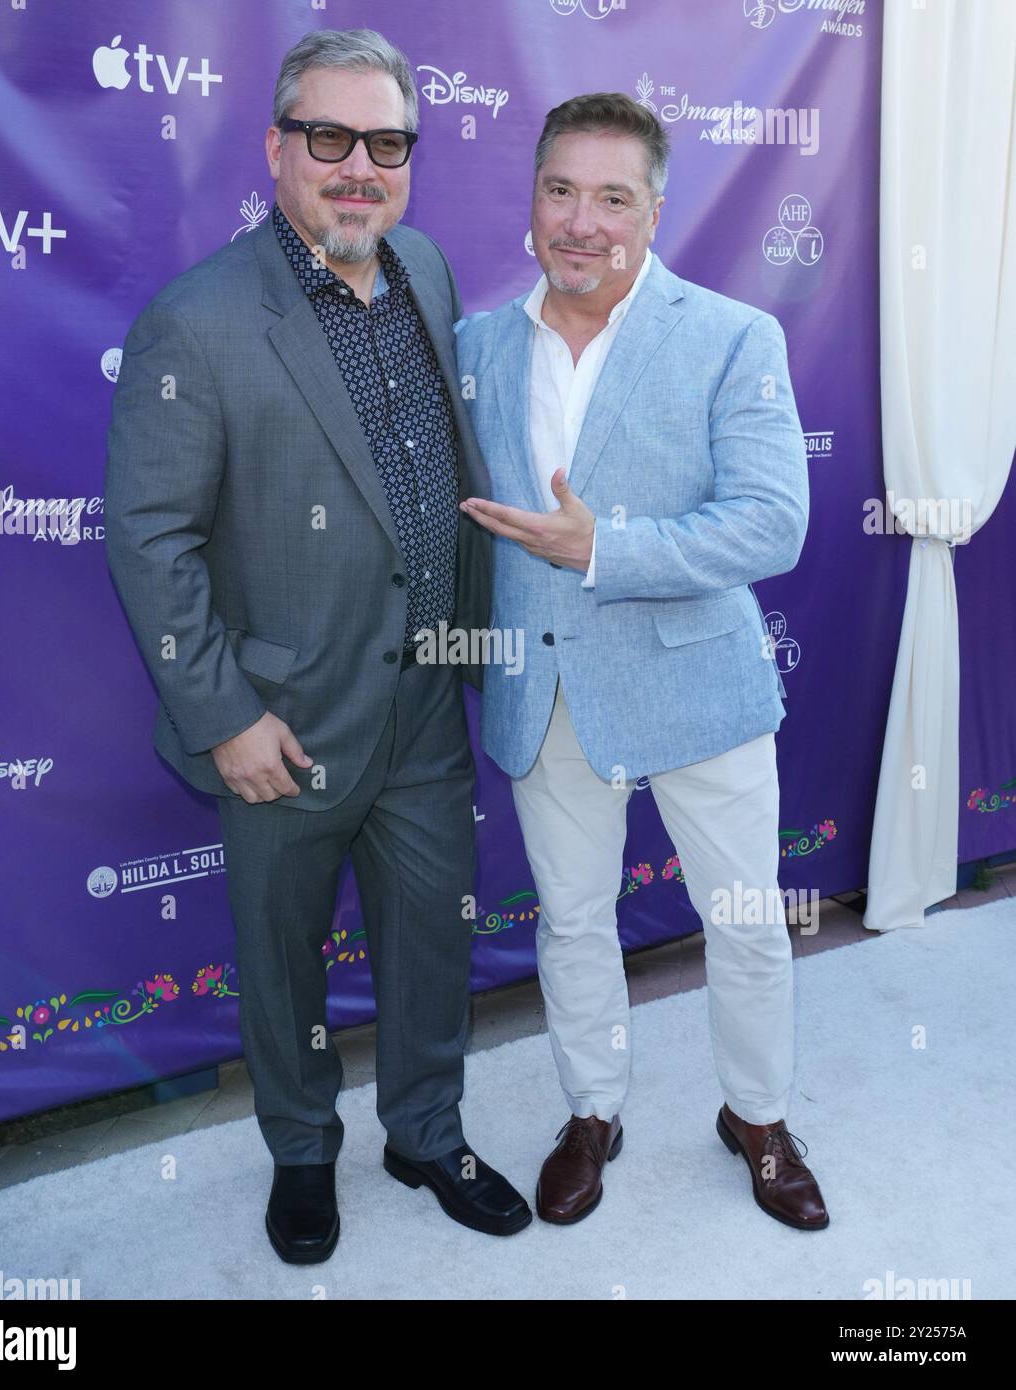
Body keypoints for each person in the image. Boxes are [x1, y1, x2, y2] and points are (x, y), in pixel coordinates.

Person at [104, 27, 531, 1265]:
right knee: (281, 958)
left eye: (385, 142)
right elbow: (149, 538)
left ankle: (426, 1130)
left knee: (431, 935)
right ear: (277, 147)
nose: (359, 167)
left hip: (422, 707)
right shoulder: (197, 321)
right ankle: (301, 1147)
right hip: (280, 721)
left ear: (409, 156)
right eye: (329, 138)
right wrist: (224, 713)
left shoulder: (430, 271)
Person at [455, 92, 828, 1230]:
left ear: (654, 209)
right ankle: (592, 1110)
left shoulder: (729, 336)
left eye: (611, 196)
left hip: (697, 687)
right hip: (544, 690)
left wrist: (604, 546)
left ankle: (756, 1119)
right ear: (530, 201)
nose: (580, 220)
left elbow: (772, 522)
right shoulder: (476, 343)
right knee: (570, 920)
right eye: (559, 189)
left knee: (743, 917)